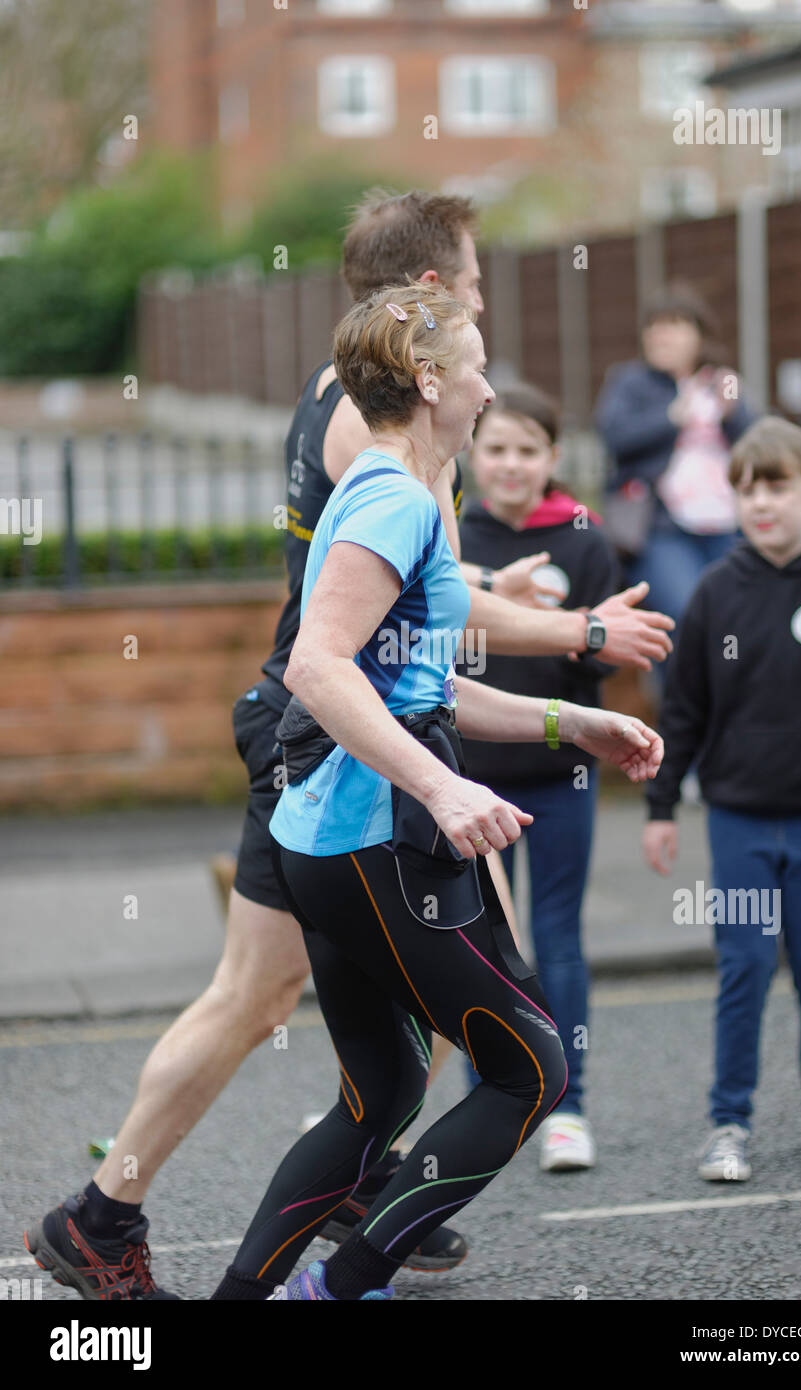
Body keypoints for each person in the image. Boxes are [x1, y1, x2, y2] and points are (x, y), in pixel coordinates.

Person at [24, 191, 674, 1301]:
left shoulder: (386, 459)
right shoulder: (386, 469)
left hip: (343, 775)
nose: (485, 358)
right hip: (343, 776)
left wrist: (569, 710)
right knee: (486, 1055)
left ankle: (355, 1209)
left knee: (370, 1068)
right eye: (472, 320)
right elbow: (335, 660)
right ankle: (140, 1221)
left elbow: (411, 654)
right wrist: (565, 645)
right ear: (426, 337)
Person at [209, 280, 664, 1301]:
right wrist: (444, 792)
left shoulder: (406, 489)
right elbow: (321, 669)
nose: (490, 385)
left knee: (383, 1096)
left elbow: (417, 680)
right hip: (369, 839)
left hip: (333, 839)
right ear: (428, 381)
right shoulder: (394, 498)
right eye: (476, 364)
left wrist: (571, 718)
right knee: (531, 1067)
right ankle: (342, 1285)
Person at [642, 416, 801, 1183]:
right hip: (736, 819)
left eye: (775, 487)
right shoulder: (714, 592)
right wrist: (661, 807)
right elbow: (684, 711)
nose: (760, 503)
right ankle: (727, 1123)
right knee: (742, 969)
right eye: (745, 490)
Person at [458, 382, 620, 1172]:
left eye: (528, 450)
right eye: (496, 448)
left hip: (560, 781)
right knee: (479, 950)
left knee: (555, 939)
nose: (511, 464)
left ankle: (568, 1108)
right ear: (473, 454)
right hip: (466, 785)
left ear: (553, 458)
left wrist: (596, 644)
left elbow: (603, 656)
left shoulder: (586, 540)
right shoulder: (448, 533)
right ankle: (487, 1100)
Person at [596, 282, 756, 640]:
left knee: (736, 615)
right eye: (653, 326)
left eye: (672, 325)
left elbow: (755, 446)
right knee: (683, 612)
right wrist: (670, 418)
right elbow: (613, 437)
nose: (659, 335)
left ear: (699, 334)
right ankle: (677, 696)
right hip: (659, 525)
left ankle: (726, 695)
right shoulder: (631, 381)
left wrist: (732, 414)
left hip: (727, 523)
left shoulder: (720, 380)